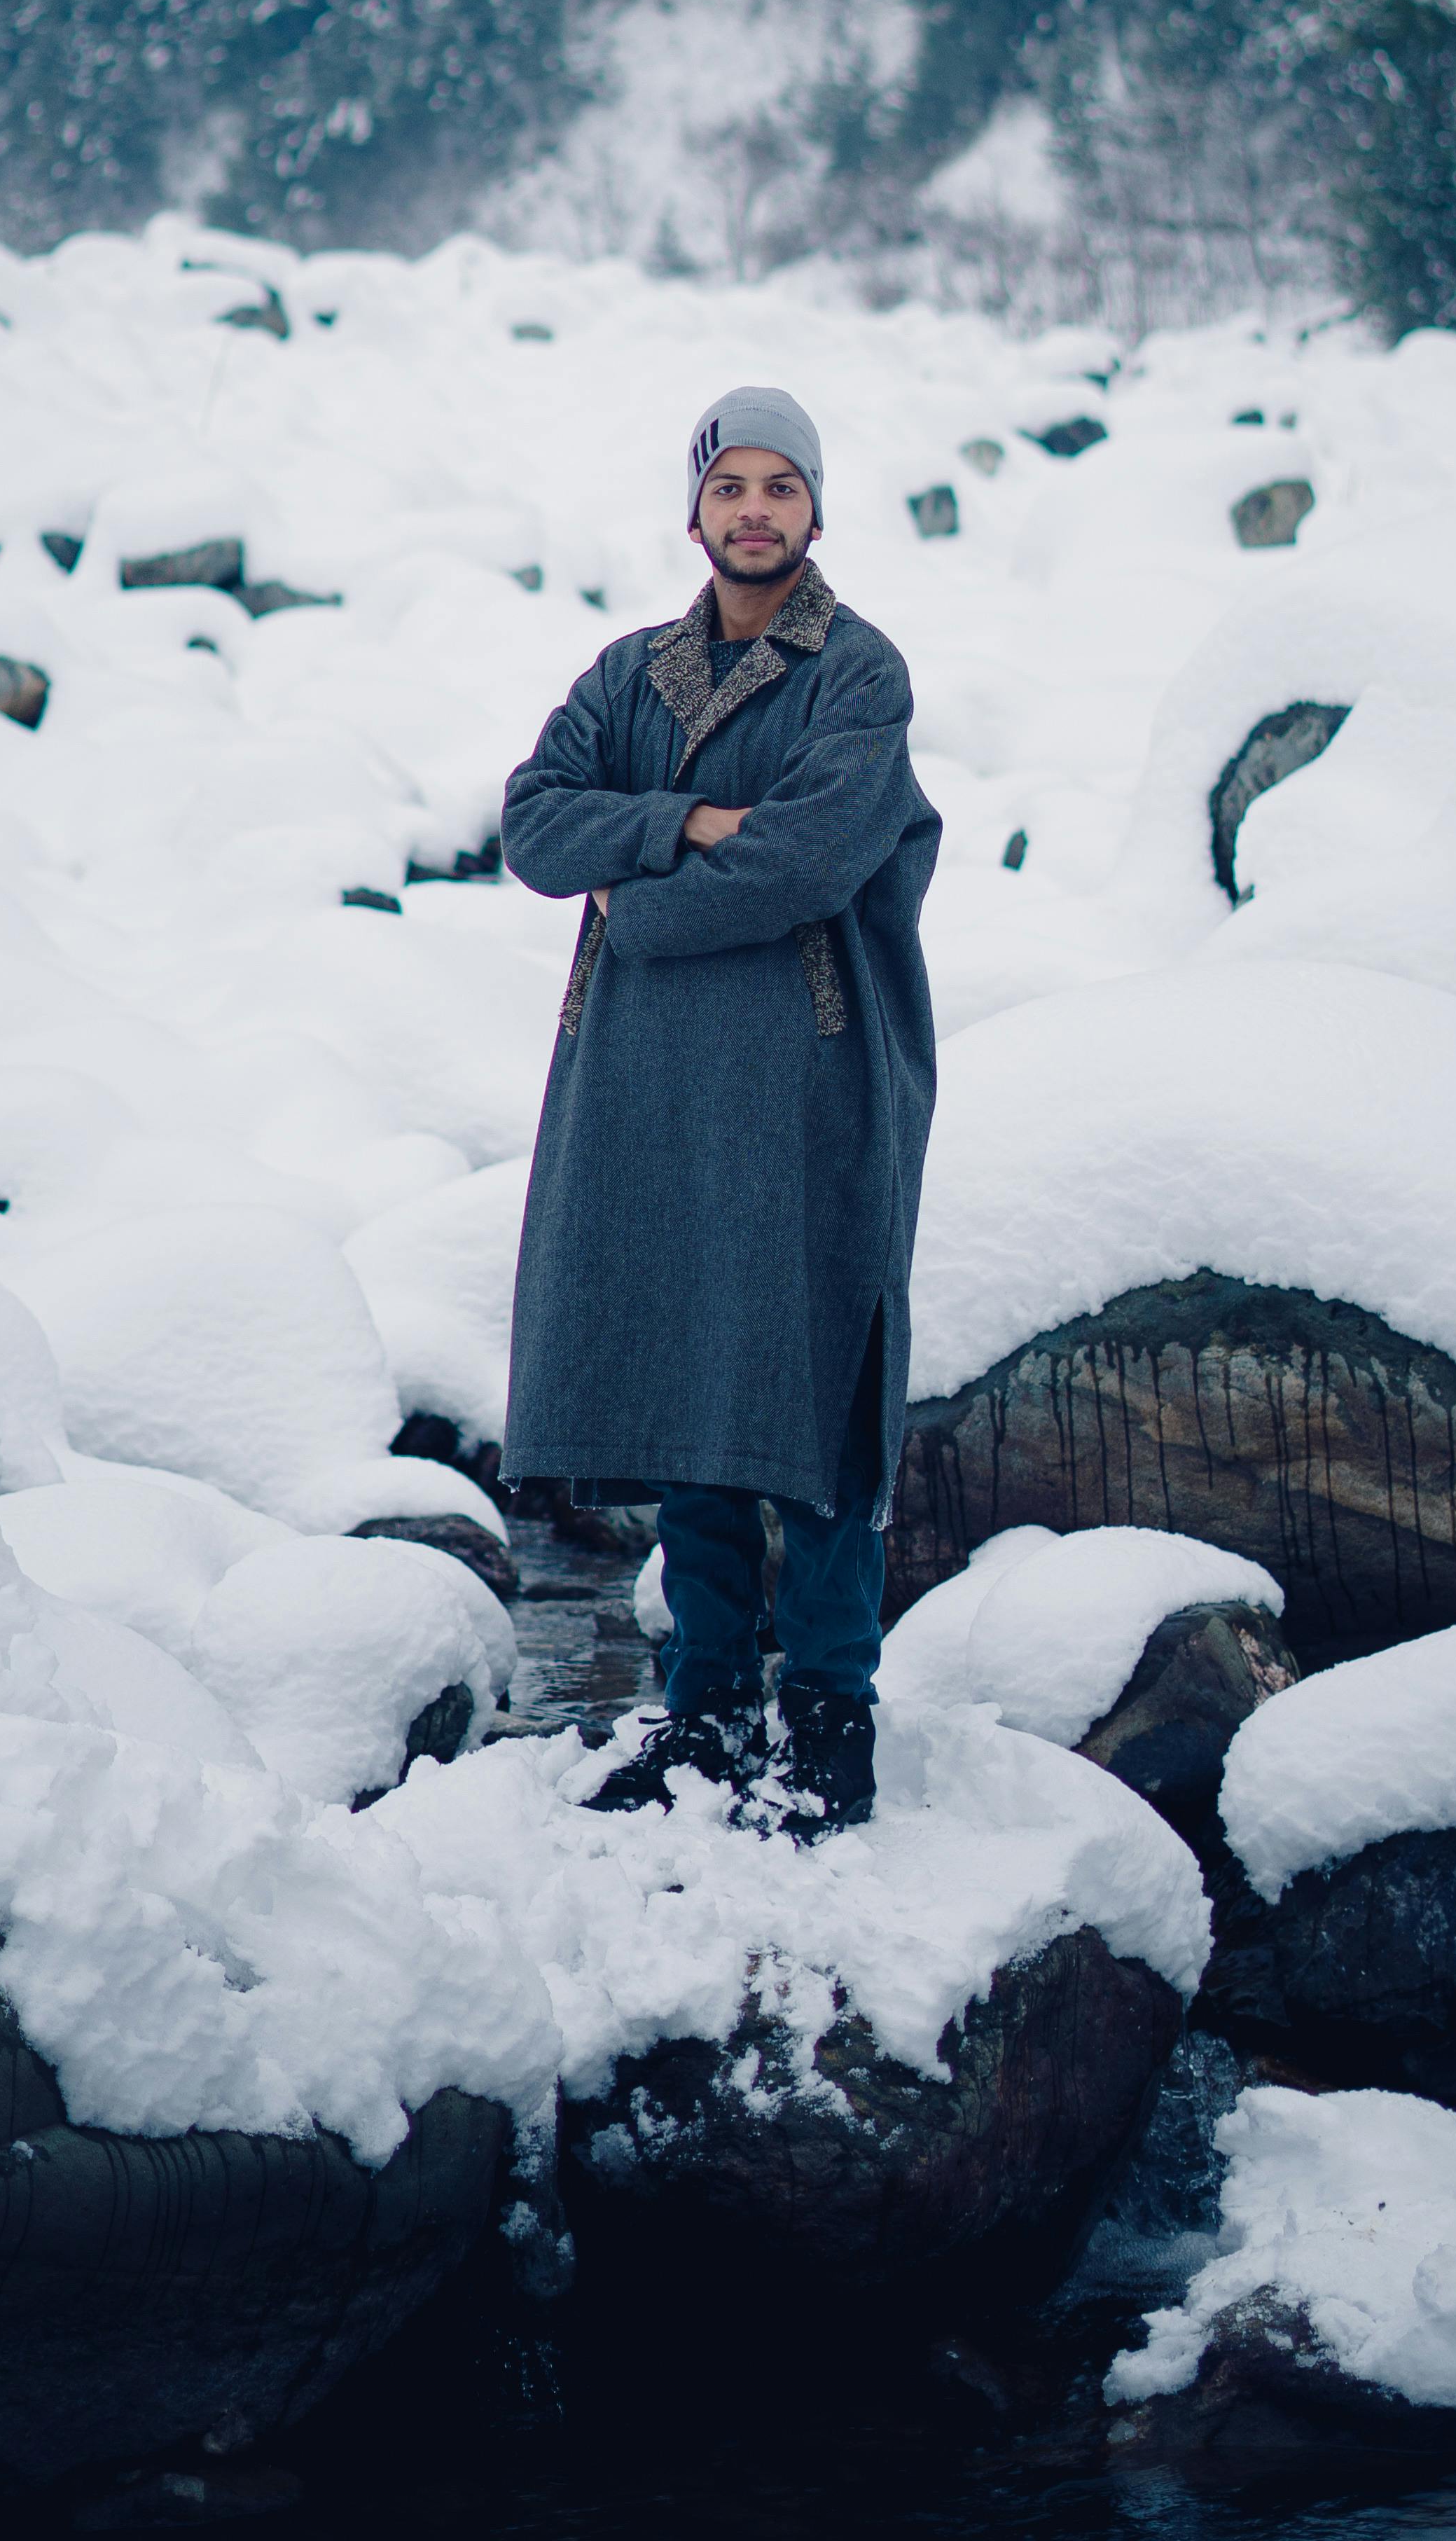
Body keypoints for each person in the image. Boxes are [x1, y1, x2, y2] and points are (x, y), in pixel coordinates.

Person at [499, 385, 939, 1839]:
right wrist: (679, 823)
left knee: (809, 1387)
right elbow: (531, 821)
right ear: (693, 512)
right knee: (691, 1381)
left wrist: (634, 905)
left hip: (813, 1082)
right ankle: (699, 1710)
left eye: (782, 488)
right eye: (729, 487)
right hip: (646, 1090)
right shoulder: (632, 673)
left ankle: (825, 1717)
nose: (755, 512)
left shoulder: (857, 677)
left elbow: (806, 862)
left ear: (817, 511)